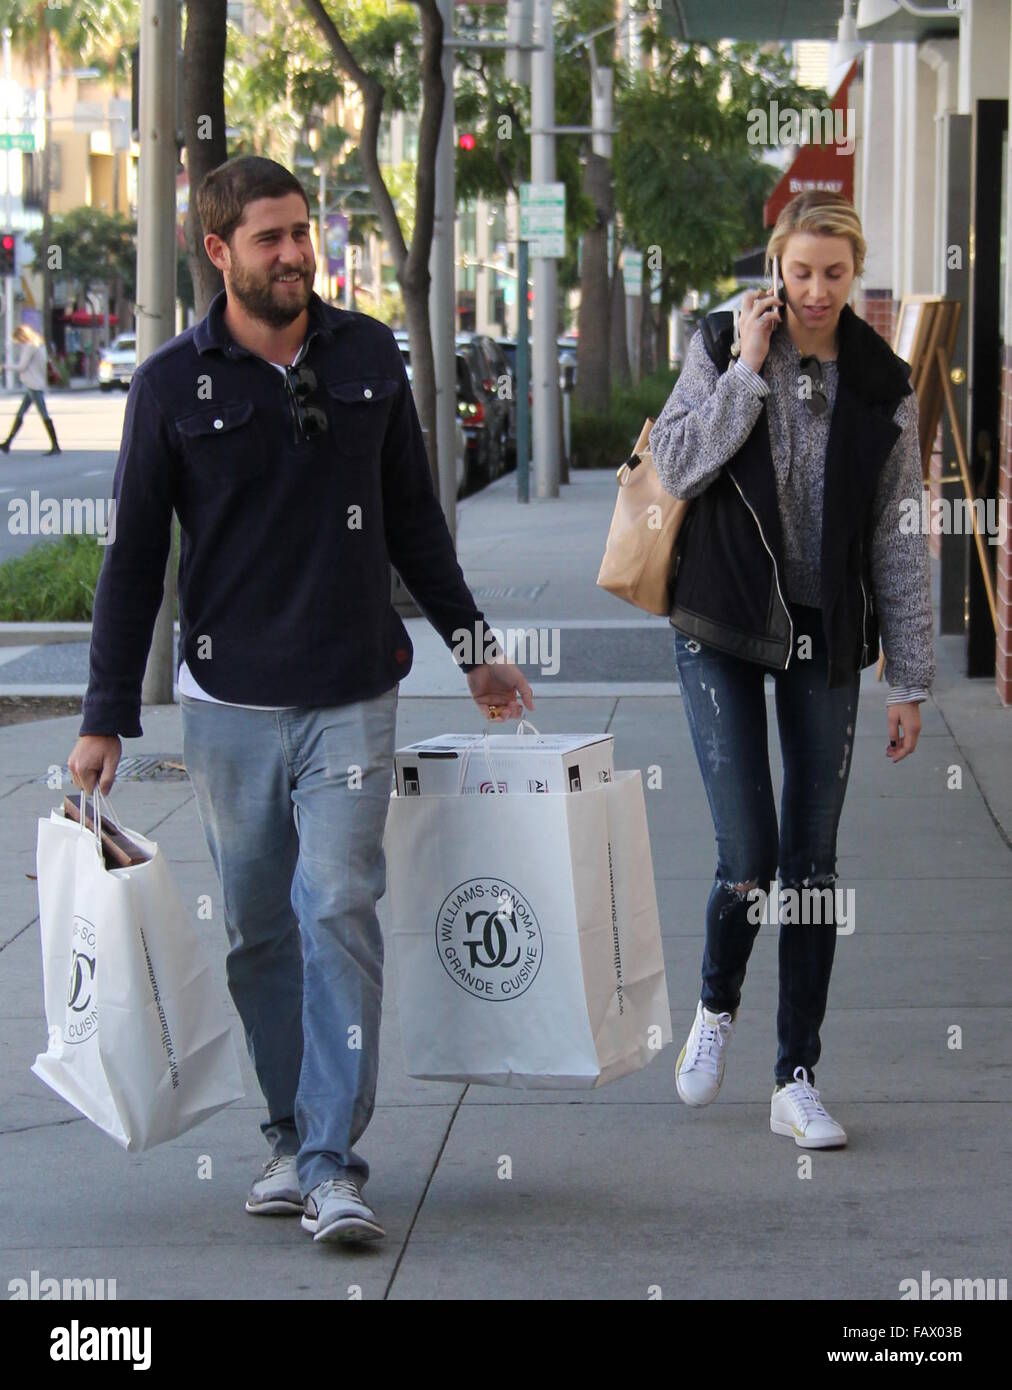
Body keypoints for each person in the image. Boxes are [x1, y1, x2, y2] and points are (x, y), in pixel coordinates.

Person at [67, 155, 532, 1245]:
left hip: (352, 690)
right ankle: (287, 1135)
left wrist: (475, 649)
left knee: (339, 910)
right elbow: (136, 557)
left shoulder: (368, 353)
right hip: (227, 699)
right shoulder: (171, 384)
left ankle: (332, 1158)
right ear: (218, 251)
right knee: (257, 931)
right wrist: (103, 715)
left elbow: (414, 519)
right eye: (268, 237)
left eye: (301, 231)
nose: (293, 252)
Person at [650, 190, 933, 1148]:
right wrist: (750, 372)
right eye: (801, 271)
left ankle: (796, 1078)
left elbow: (899, 539)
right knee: (752, 858)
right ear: (776, 263)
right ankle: (715, 1005)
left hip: (825, 628)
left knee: (812, 867)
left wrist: (914, 678)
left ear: (856, 276)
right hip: (722, 620)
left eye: (835, 274)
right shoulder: (724, 343)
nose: (815, 291)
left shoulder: (882, 381)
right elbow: (679, 466)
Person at [1, 325, 61, 455]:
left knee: (44, 414)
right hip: (35, 384)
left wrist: (5, 367)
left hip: (33, 385)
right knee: (20, 413)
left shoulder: (29, 346)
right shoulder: (40, 345)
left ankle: (55, 445)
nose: (18, 343)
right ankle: (7, 443)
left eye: (17, 339)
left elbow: (22, 366)